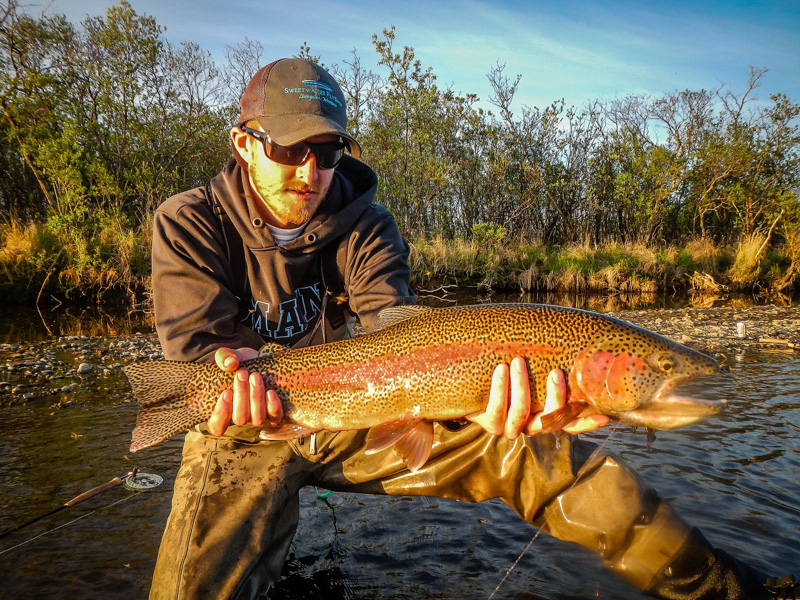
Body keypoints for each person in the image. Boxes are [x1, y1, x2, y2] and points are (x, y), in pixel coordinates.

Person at [149, 58, 797, 600]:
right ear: (243, 142)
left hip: (365, 408)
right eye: (288, 149)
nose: (309, 172)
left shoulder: (366, 223)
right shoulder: (188, 220)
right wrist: (231, 386)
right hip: (242, 424)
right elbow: (201, 354)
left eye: (326, 151)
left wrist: (479, 396)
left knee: (542, 452)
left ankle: (727, 590)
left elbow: (397, 329)